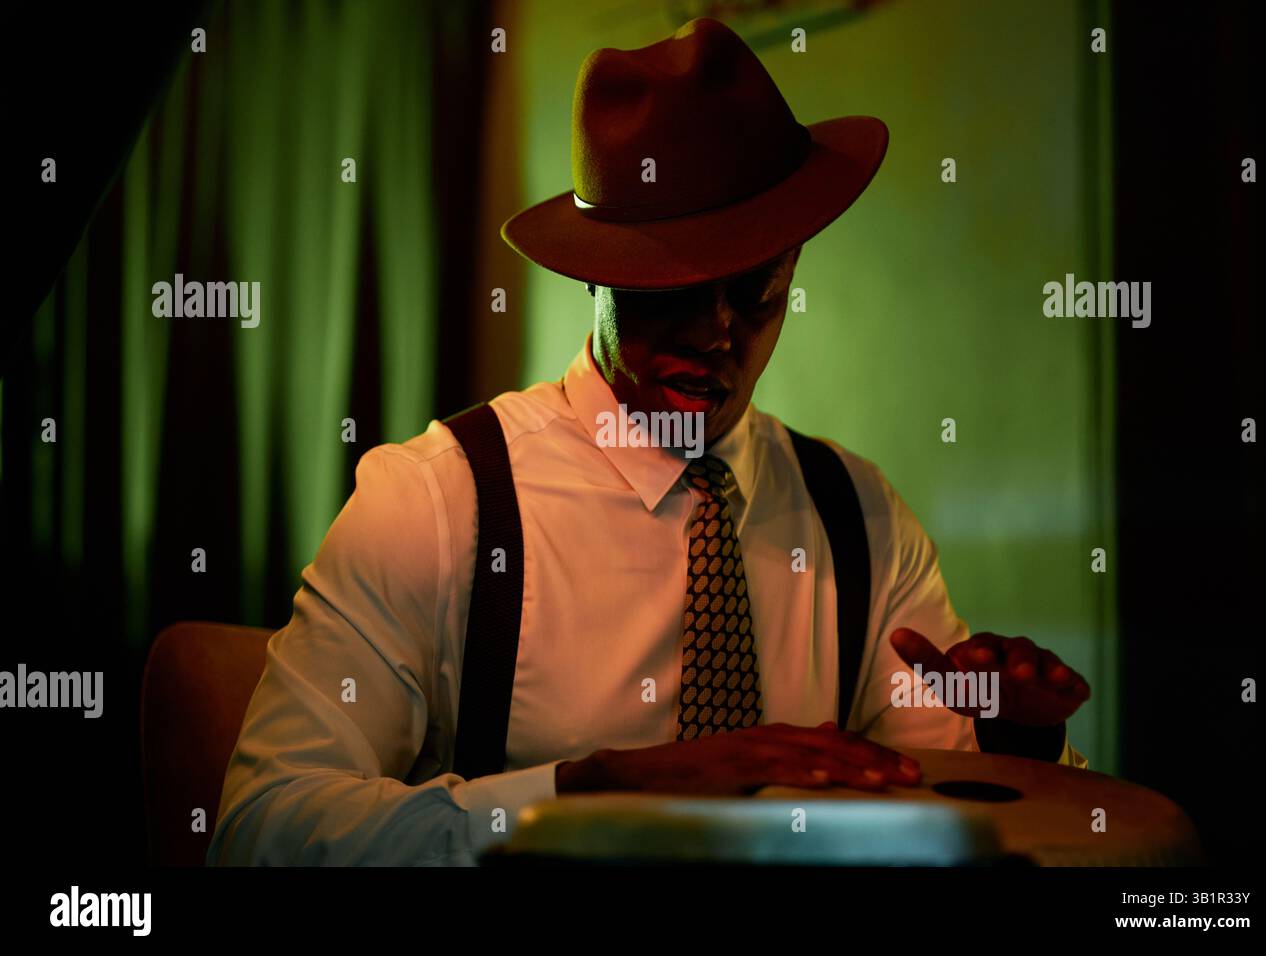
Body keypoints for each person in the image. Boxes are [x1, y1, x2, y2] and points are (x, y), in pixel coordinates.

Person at [207, 17, 1089, 866]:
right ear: (598, 270)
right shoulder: (435, 505)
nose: (716, 333)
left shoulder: (857, 518)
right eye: (674, 289)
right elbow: (260, 832)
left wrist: (1011, 740)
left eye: (754, 290)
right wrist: (590, 793)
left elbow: (948, 810)